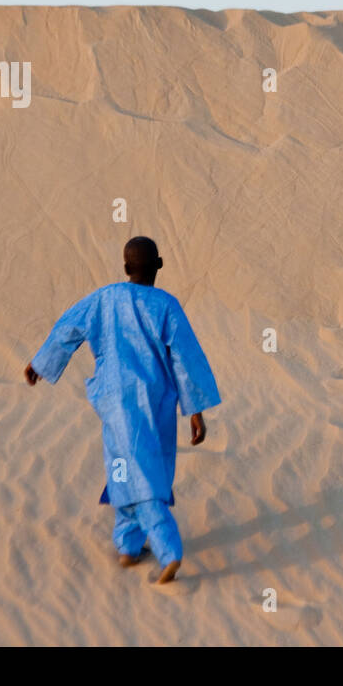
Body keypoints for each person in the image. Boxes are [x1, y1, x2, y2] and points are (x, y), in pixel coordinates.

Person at [24, 236, 221, 584]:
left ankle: (128, 545)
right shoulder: (167, 305)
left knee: (120, 463)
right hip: (153, 403)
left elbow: (69, 327)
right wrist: (196, 410)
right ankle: (169, 549)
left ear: (127, 268)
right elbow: (186, 358)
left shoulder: (105, 298)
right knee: (145, 470)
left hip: (113, 401)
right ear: (158, 265)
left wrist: (41, 363)